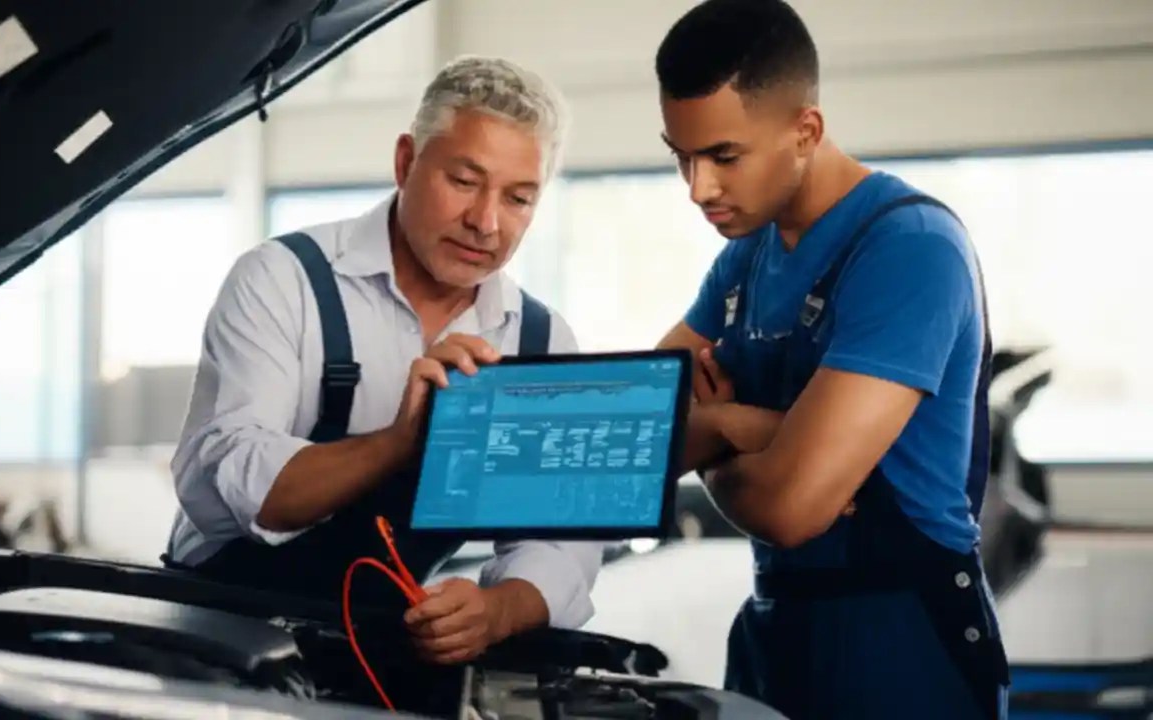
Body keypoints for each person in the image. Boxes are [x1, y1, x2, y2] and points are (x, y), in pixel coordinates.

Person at [164, 55, 603, 666]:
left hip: (385, 643)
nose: (486, 222)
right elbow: (239, 477)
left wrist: (498, 610)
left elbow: (560, 538)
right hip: (217, 635)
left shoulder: (538, 338)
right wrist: (405, 440)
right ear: (405, 161)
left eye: (520, 198)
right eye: (464, 181)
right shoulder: (283, 280)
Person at [654, 1, 1010, 718]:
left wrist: (713, 430)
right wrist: (748, 428)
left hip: (901, 643)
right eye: (681, 156)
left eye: (723, 156)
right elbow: (636, 436)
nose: (698, 188)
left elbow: (790, 509)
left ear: (805, 131)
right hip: (774, 629)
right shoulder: (745, 257)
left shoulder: (909, 248)